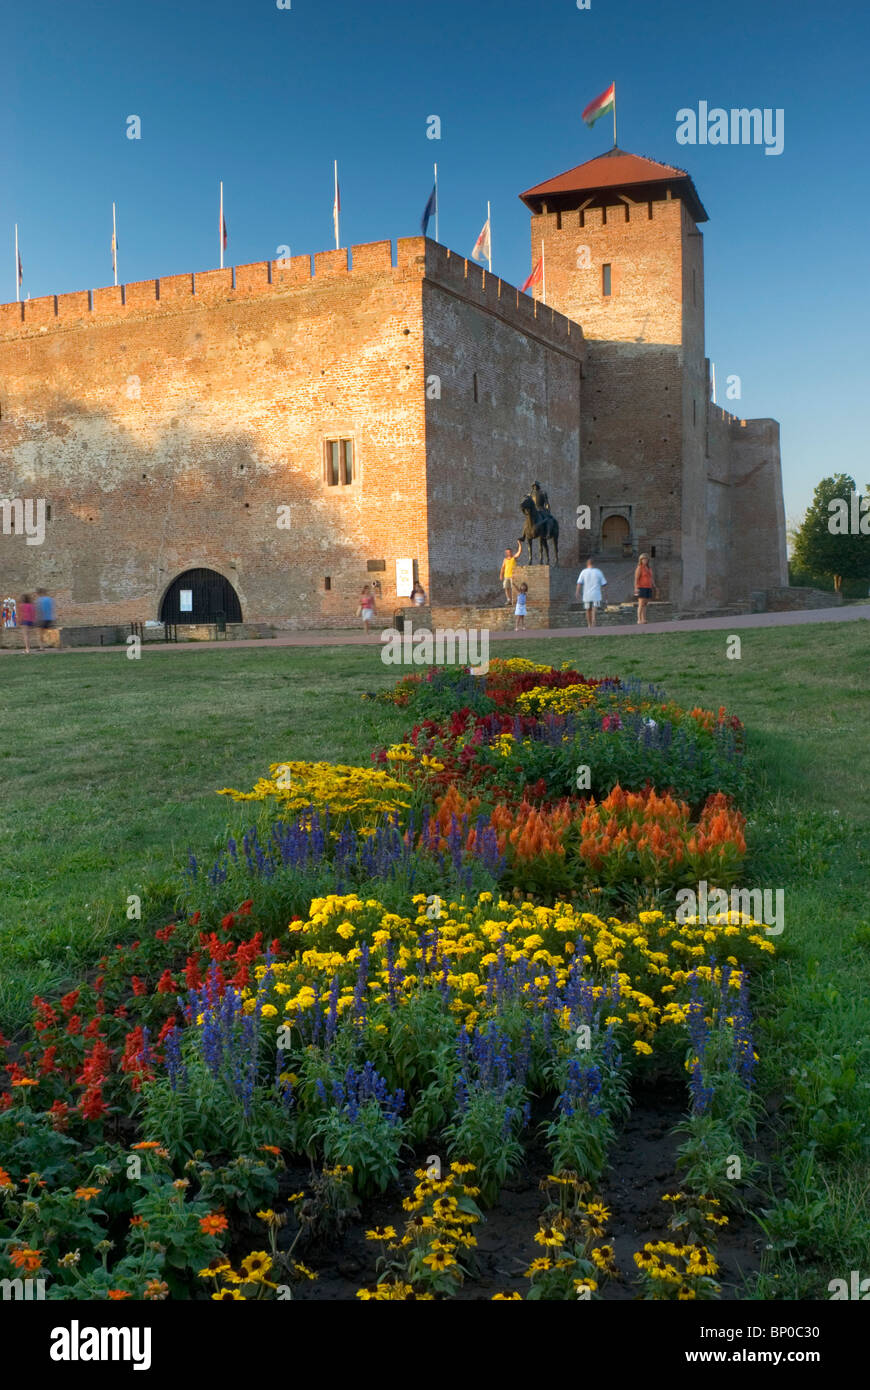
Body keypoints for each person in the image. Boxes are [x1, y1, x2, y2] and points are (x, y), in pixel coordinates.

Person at [575, 558, 607, 629]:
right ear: (594, 564)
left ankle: (589, 624)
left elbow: (579, 583)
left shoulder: (583, 572)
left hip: (586, 594)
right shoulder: (598, 572)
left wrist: (577, 592)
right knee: (594, 608)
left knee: (587, 609)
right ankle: (594, 620)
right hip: (596, 594)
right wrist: (605, 593)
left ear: (587, 564)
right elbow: (604, 584)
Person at [634, 553, 655, 624]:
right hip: (641, 587)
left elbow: (651, 578)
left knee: (645, 604)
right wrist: (636, 588)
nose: (645, 560)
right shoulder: (639, 568)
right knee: (641, 604)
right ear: (641, 560)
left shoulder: (649, 568)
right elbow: (636, 579)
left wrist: (654, 586)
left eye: (646, 559)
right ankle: (639, 619)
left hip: (648, 587)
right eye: (643, 559)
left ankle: (644, 619)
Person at [500, 542, 522, 606]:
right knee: (506, 588)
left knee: (515, 588)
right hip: (506, 576)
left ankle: (518, 599)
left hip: (513, 576)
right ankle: (509, 600)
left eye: (509, 552)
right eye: (507, 552)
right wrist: (501, 575)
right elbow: (502, 568)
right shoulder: (505, 560)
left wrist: (519, 544)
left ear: (511, 552)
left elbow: (519, 552)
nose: (508, 553)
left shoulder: (514, 558)